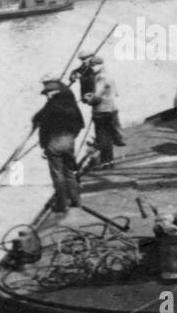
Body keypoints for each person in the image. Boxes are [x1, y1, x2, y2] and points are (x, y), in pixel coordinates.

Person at [33, 77, 84, 214]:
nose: (46, 96)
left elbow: (43, 125)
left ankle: (61, 205)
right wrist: (72, 137)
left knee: (57, 174)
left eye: (46, 93)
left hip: (54, 141)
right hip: (69, 140)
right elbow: (80, 124)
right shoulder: (71, 103)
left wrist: (44, 146)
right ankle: (75, 201)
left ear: (52, 92)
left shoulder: (51, 105)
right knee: (69, 172)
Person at [86, 57, 125, 167]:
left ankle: (105, 162)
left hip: (101, 111)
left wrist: (89, 99)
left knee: (102, 137)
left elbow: (97, 97)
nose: (91, 68)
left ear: (97, 65)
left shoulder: (100, 77)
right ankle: (110, 161)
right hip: (111, 109)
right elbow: (116, 93)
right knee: (108, 136)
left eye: (92, 65)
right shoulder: (109, 75)